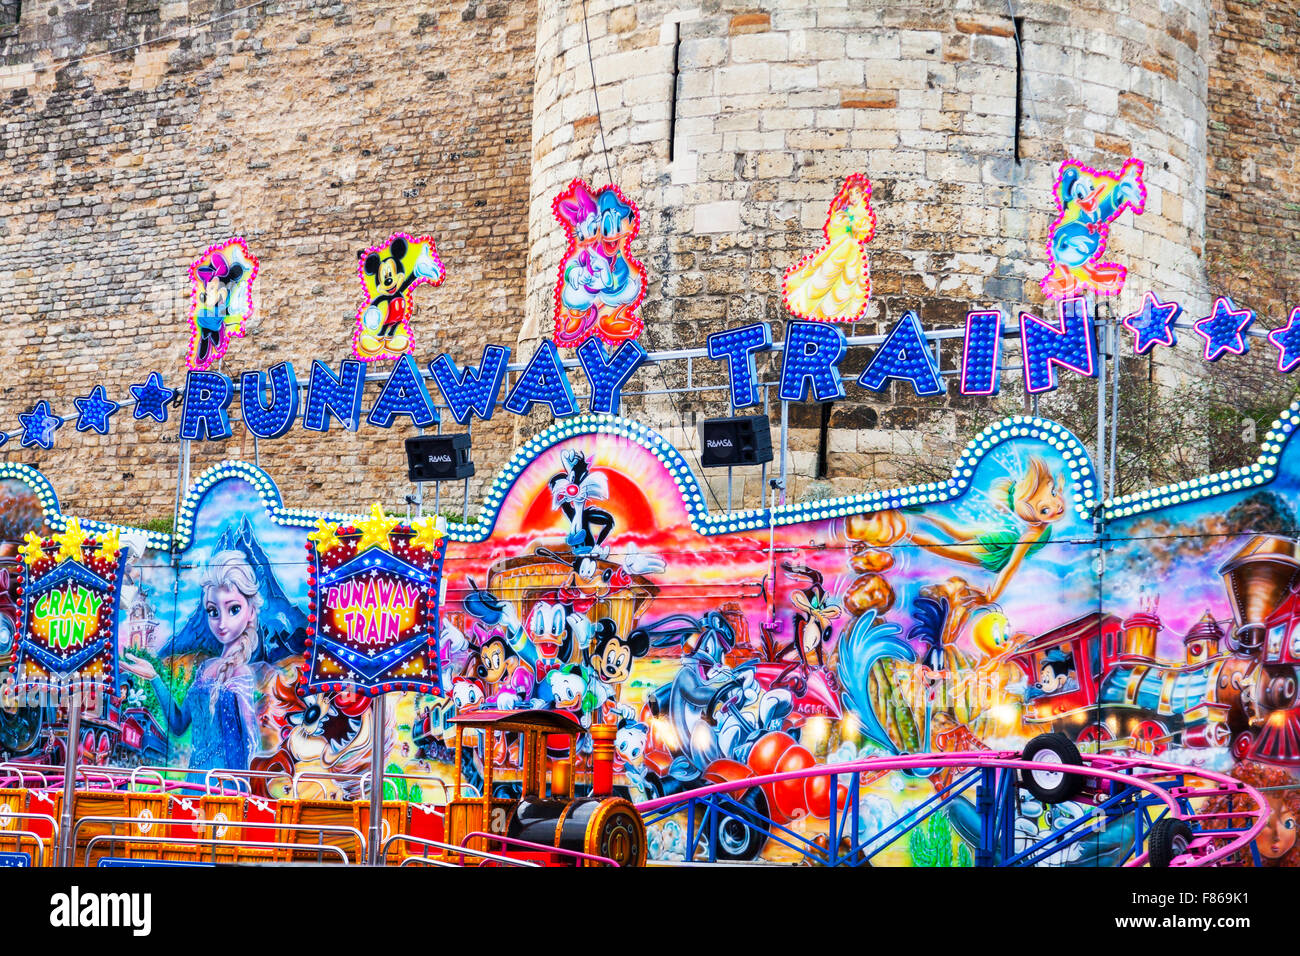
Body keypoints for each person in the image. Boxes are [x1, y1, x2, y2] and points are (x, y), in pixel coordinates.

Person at [122, 550, 262, 772]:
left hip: (226, 784)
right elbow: (178, 725)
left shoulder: (242, 674)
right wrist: (155, 678)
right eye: (213, 611)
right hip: (195, 781)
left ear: (251, 612)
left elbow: (251, 742)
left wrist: (246, 786)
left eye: (233, 609)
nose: (222, 623)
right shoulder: (205, 667)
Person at [904, 456, 1066, 605]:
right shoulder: (1032, 534)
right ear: (1031, 515)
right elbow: (1011, 566)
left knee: (957, 533)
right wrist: (992, 596)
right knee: (946, 547)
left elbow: (1053, 494)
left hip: (1005, 536)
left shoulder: (1045, 514)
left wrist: (1059, 487)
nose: (1057, 505)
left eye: (1053, 493)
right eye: (1044, 510)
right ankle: (905, 533)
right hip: (996, 551)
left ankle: (921, 515)